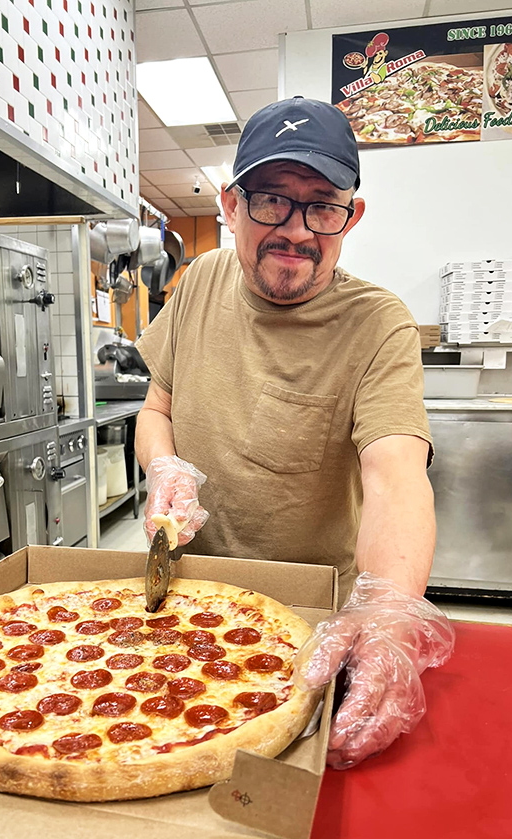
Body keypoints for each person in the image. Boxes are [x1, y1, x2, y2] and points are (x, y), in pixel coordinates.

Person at [134, 97, 454, 769]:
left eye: (322, 205)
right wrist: (165, 468)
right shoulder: (198, 283)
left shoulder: (379, 325)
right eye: (272, 201)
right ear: (230, 205)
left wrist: (390, 613)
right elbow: (155, 406)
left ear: (352, 215)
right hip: (190, 596)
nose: (298, 230)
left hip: (314, 620)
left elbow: (396, 474)